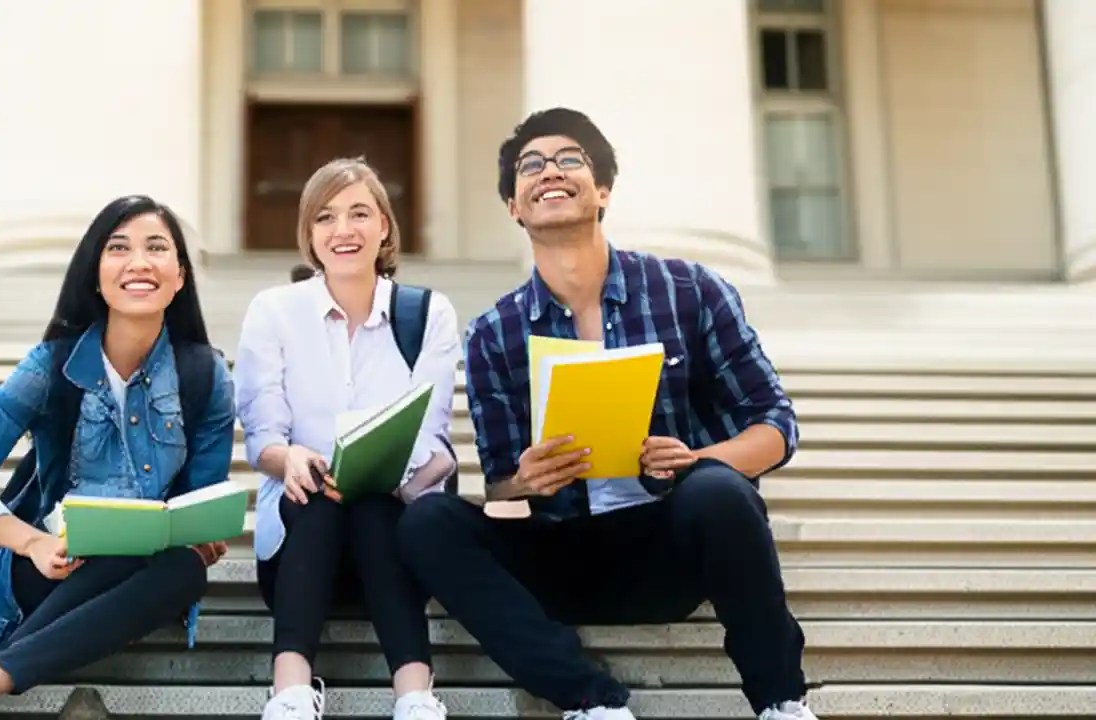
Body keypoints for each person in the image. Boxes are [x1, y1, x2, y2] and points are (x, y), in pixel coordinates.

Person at [396, 108, 818, 720]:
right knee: (427, 521)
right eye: (530, 166)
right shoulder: (493, 332)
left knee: (720, 489)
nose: (549, 172)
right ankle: (591, 701)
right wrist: (524, 480)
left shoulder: (690, 290)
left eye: (569, 159)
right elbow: (499, 484)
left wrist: (697, 459)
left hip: (668, 548)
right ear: (514, 206)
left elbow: (775, 424)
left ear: (602, 191)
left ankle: (780, 700)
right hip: (559, 553)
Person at [0, 195, 238, 719]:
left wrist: (205, 538)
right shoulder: (48, 367)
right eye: (118, 248)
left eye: (156, 248)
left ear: (180, 275)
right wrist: (33, 544)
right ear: (95, 275)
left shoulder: (207, 377)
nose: (139, 262)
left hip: (138, 576)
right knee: (157, 562)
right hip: (47, 571)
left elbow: (199, 510)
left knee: (184, 568)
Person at [234, 157, 460, 720]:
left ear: (384, 225)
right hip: (299, 551)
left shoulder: (428, 314)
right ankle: (291, 692)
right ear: (309, 234)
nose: (343, 230)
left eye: (360, 213)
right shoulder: (274, 312)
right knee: (320, 496)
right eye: (325, 217)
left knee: (371, 506)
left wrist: (379, 473)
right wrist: (290, 459)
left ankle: (415, 697)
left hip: (392, 544)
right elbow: (262, 436)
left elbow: (430, 434)